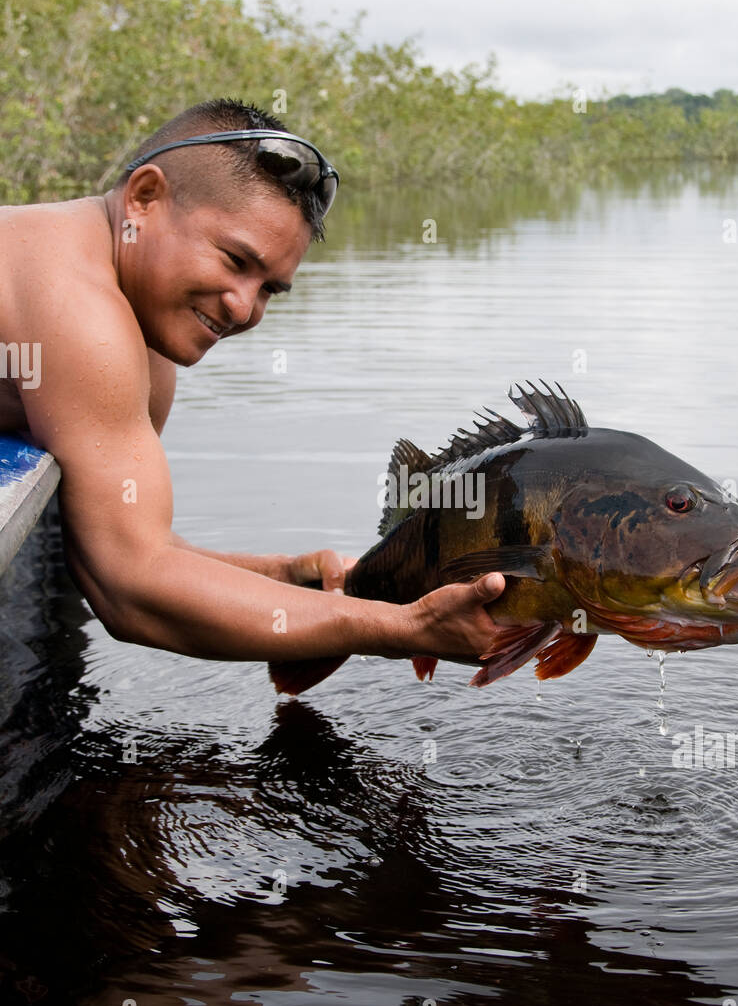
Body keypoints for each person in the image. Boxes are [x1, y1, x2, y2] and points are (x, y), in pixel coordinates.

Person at [0, 98, 504, 679]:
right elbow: (129, 591)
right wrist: (406, 628)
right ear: (144, 197)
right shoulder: (82, 314)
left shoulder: (140, 324)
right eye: (235, 259)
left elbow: (130, 547)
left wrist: (280, 576)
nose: (243, 308)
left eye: (269, 288)